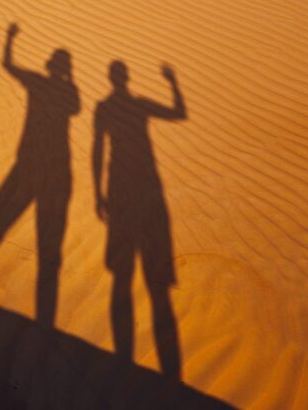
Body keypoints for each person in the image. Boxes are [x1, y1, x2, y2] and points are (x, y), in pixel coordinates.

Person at [0, 23, 80, 328]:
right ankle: (44, 322)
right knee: (46, 247)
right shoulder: (66, 89)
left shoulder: (43, 84)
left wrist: (10, 40)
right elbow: (75, 108)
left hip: (33, 168)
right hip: (49, 171)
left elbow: (8, 65)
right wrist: (69, 74)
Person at [92, 61, 185, 379]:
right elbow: (179, 112)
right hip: (146, 192)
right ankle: (170, 375)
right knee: (156, 283)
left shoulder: (103, 108)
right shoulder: (139, 104)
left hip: (120, 193)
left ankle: (124, 363)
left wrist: (97, 193)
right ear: (127, 78)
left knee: (122, 277)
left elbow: (96, 150)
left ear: (110, 79)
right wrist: (172, 82)